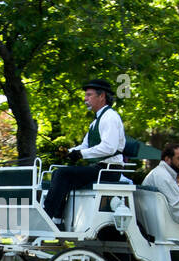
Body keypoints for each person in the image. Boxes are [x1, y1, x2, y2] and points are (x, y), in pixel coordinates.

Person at [43, 78, 125, 224]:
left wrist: (81, 154)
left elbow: (109, 147)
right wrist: (68, 152)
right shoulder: (96, 122)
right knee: (59, 172)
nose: (85, 99)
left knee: (62, 174)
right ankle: (56, 218)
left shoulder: (110, 117)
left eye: (89, 95)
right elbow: (85, 146)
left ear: (102, 96)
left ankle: (48, 219)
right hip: (99, 169)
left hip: (109, 171)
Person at [146, 144, 179, 226]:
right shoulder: (163, 177)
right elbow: (177, 209)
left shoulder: (162, 173)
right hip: (166, 226)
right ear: (167, 159)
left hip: (159, 223)